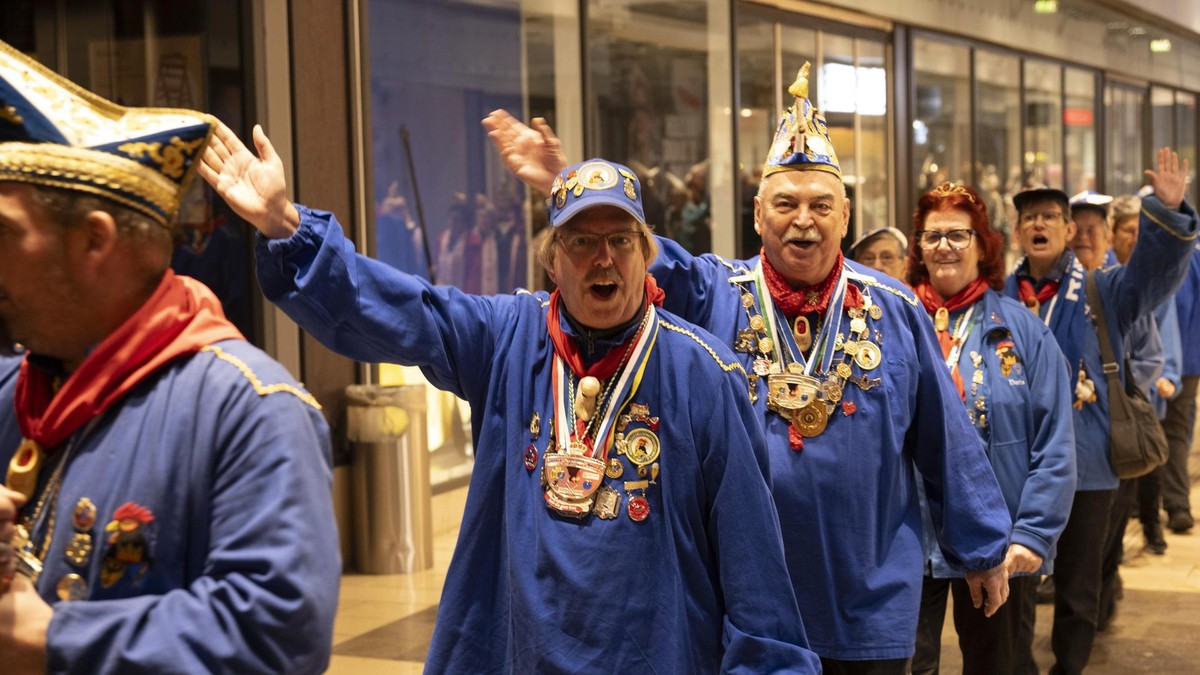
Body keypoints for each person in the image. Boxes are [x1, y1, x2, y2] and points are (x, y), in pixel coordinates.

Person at [199, 120, 824, 672]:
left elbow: (756, 573)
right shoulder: (505, 338)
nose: (601, 259)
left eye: (620, 241)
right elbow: (397, 308)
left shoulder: (706, 374)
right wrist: (287, 226)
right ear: (552, 260)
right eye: (581, 241)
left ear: (646, 256)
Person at [484, 62, 1013, 674]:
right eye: (785, 203)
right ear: (758, 213)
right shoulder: (714, 291)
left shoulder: (894, 308)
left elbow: (946, 438)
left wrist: (982, 548)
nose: (803, 219)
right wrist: (564, 180)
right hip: (742, 611)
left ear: (846, 217)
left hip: (866, 605)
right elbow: (630, 250)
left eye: (821, 205)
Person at [0, 41, 339, 673]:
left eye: (4, 233)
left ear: (93, 242)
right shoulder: (19, 388)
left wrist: (52, 640)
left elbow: (277, 637)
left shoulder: (252, 410)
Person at [1005, 153, 1197, 675]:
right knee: (1014, 590)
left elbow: (1153, 277)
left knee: (1079, 587)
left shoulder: (1101, 289)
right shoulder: (1000, 299)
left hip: (1088, 462)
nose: (1039, 224)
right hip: (1017, 469)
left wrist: (1170, 212)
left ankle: (1069, 669)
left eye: (1050, 216)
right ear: (1018, 233)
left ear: (1069, 230)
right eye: (1029, 218)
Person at [906, 183, 1076, 674]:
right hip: (907, 537)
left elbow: (1055, 444)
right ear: (919, 247)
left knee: (997, 664)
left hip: (996, 540)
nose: (944, 246)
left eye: (959, 234)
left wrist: (1031, 534)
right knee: (904, 664)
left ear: (983, 245)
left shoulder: (1022, 330)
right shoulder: (890, 322)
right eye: (932, 235)